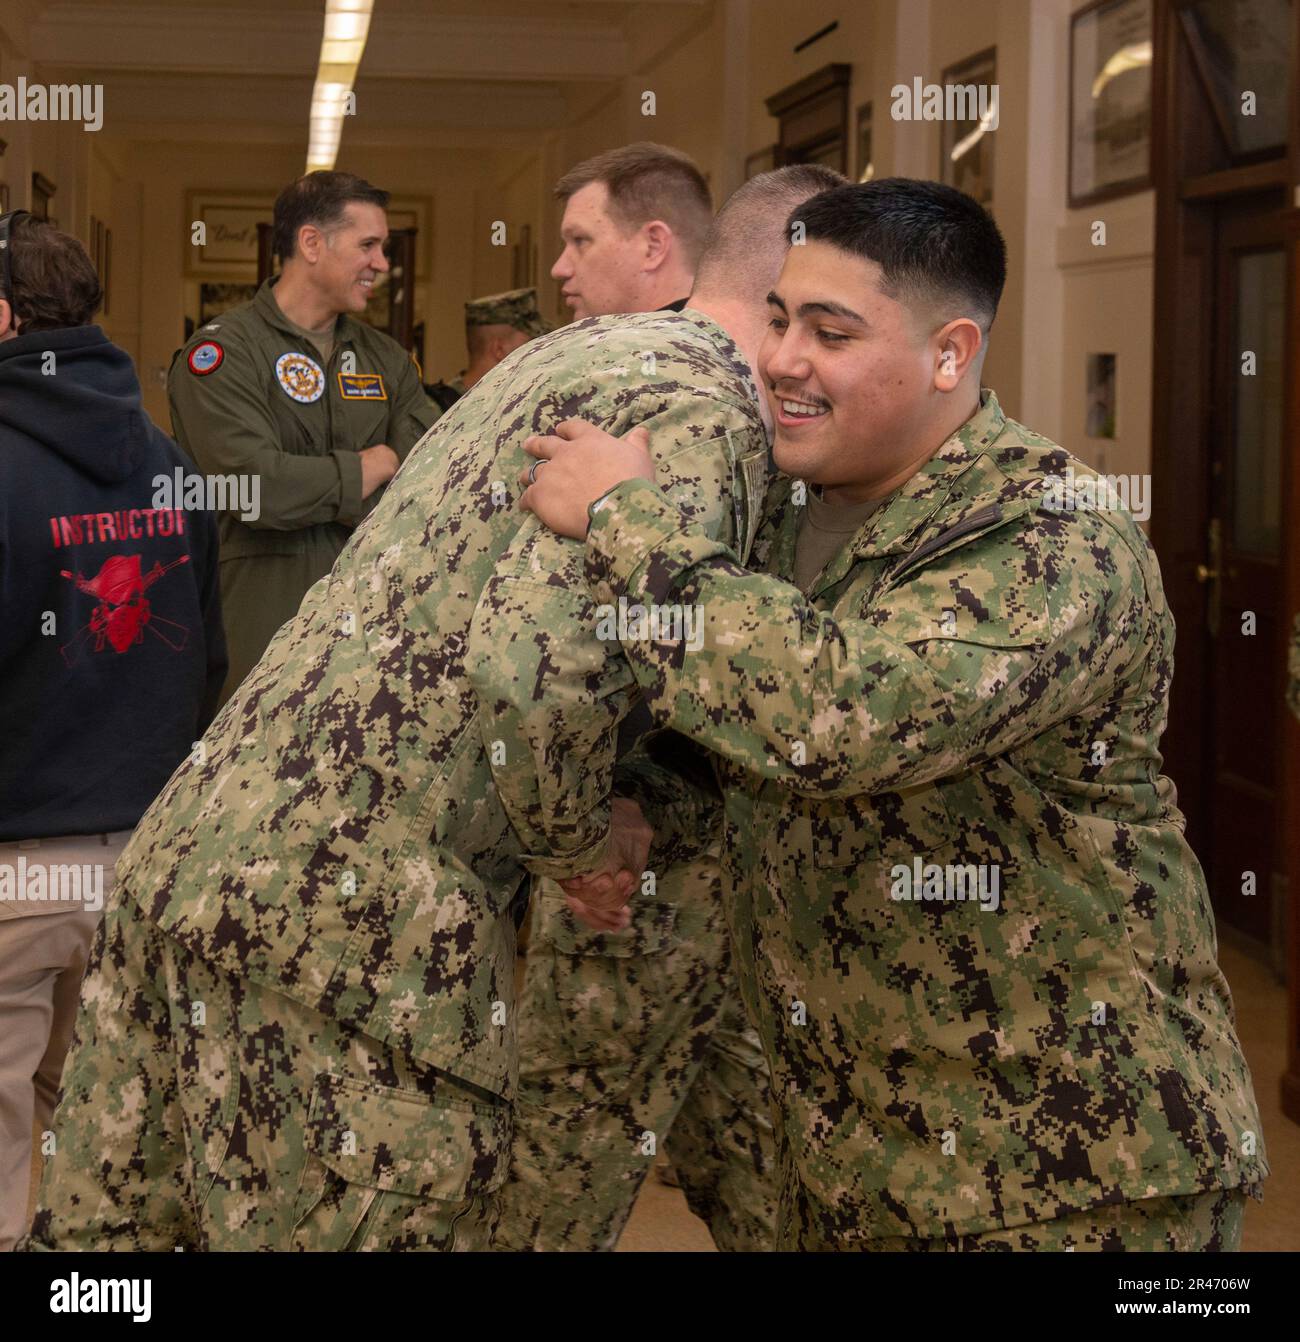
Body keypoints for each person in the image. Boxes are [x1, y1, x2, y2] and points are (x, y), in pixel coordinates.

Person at [18, 165, 835, 1254]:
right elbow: (537, 675)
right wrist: (580, 842)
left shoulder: (569, 357)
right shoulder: (698, 403)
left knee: (108, 1264)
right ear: (792, 304)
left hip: (201, 861)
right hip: (347, 929)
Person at [505, 178, 1270, 1251]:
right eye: (776, 317)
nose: (781, 359)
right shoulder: (798, 512)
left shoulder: (1052, 535)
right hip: (868, 1159)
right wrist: (643, 812)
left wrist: (628, 520)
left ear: (949, 353)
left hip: (1069, 1175)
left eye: (830, 331)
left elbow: (832, 717)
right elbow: (747, 737)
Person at [496, 142, 783, 1254]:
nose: (559, 268)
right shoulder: (650, 399)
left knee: (759, 1166)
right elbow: (572, 663)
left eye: (580, 240)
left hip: (739, 883)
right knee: (559, 1177)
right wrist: (587, 838)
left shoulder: (722, 407)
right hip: (641, 861)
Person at [0, 211, 225, 1251]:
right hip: (142, 852)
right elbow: (204, 663)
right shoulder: (172, 462)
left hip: (16, 859)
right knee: (106, 1125)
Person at [169, 170, 437, 705]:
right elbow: (252, 488)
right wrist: (371, 466)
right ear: (311, 243)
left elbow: (434, 474)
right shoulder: (222, 355)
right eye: (368, 245)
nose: (382, 264)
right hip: (261, 649)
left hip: (372, 644)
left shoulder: (386, 360)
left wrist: (312, 487)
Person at [551, 142, 709, 319]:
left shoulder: (643, 346)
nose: (559, 269)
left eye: (580, 240)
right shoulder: (725, 342)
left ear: (653, 246)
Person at [425, 288, 549, 413]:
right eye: (529, 343)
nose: (536, 351)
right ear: (499, 349)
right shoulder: (439, 413)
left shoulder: (519, 404)